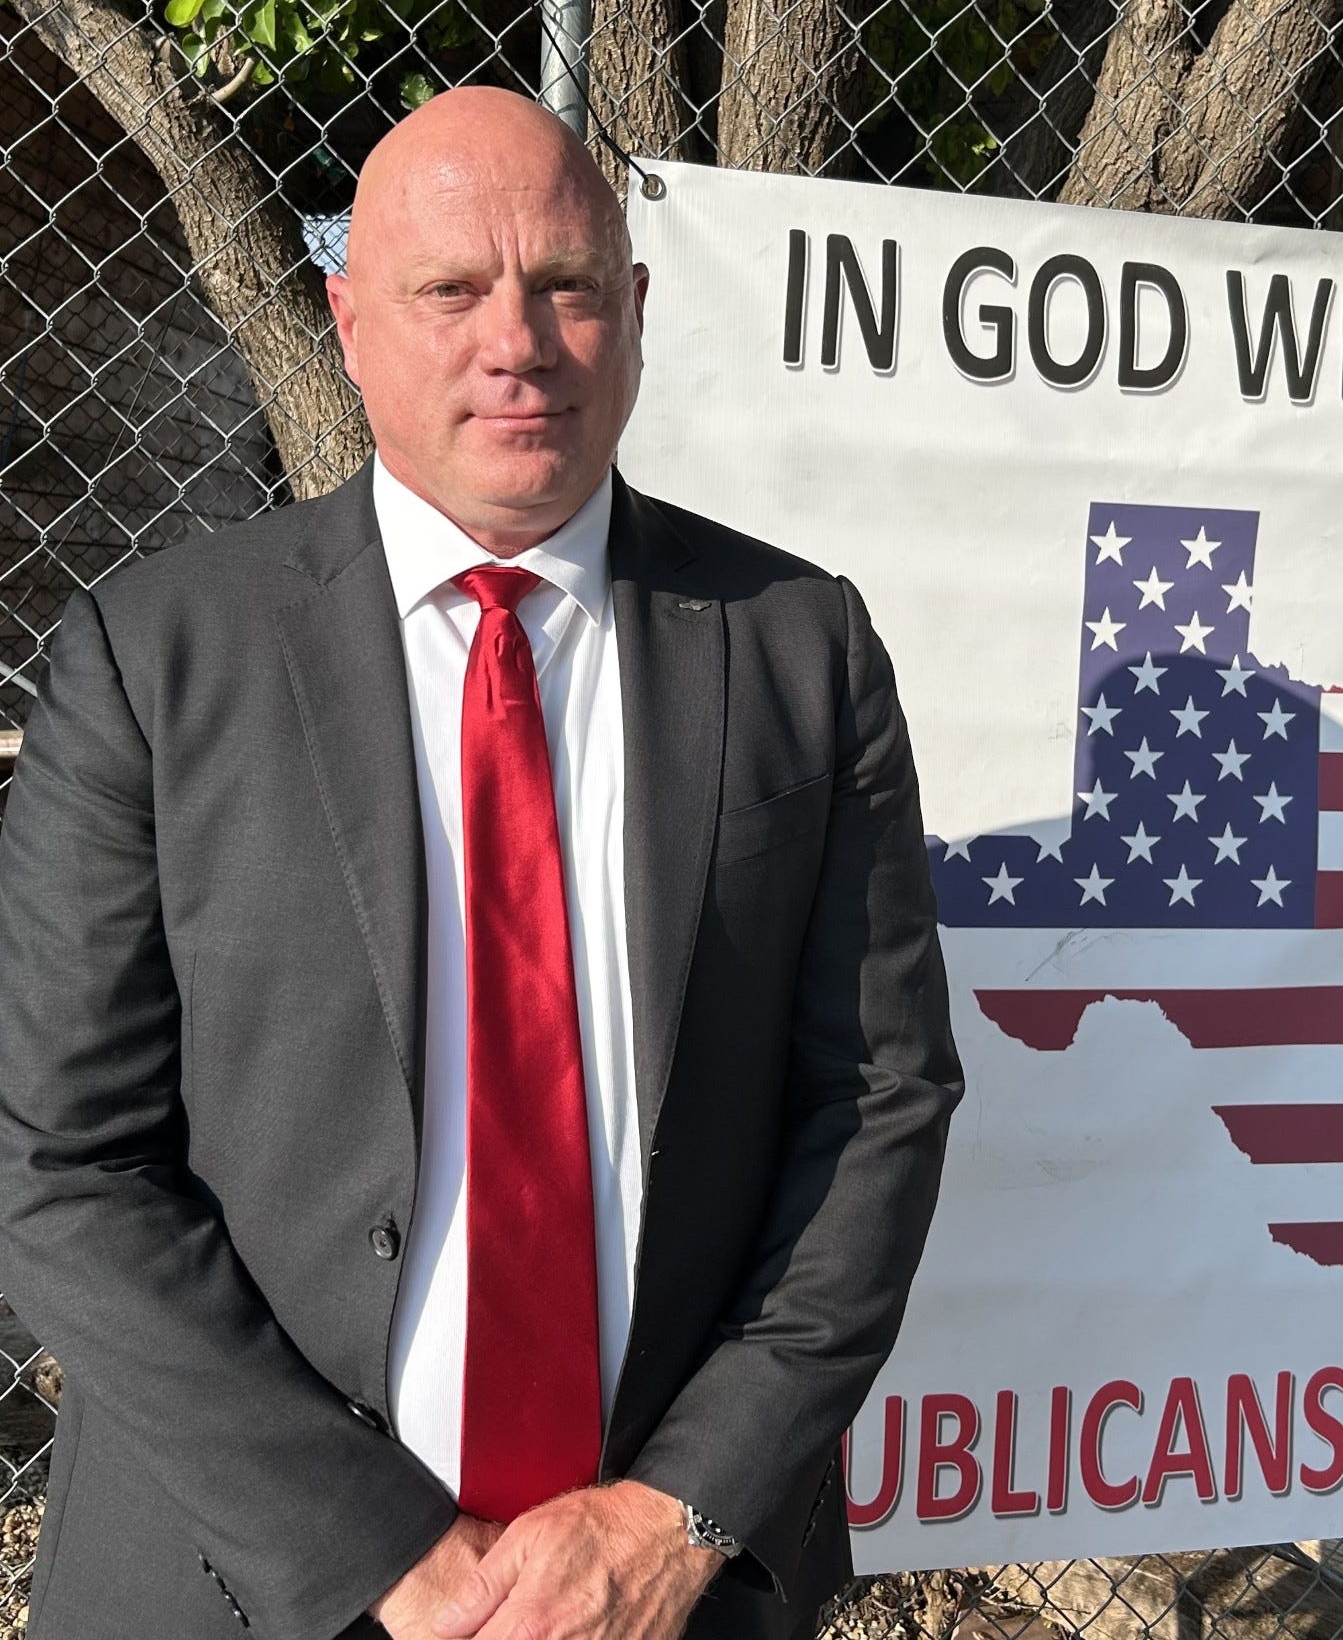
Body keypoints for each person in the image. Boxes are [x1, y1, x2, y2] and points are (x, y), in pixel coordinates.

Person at [0, 86, 962, 1640]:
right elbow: (63, 1165)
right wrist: (378, 1551)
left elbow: (880, 1101)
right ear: (348, 320)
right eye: (449, 290)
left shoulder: (799, 648)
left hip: (667, 1587)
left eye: (567, 284)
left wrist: (680, 1509)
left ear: (635, 312)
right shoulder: (156, 659)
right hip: (241, 1583)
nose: (515, 340)